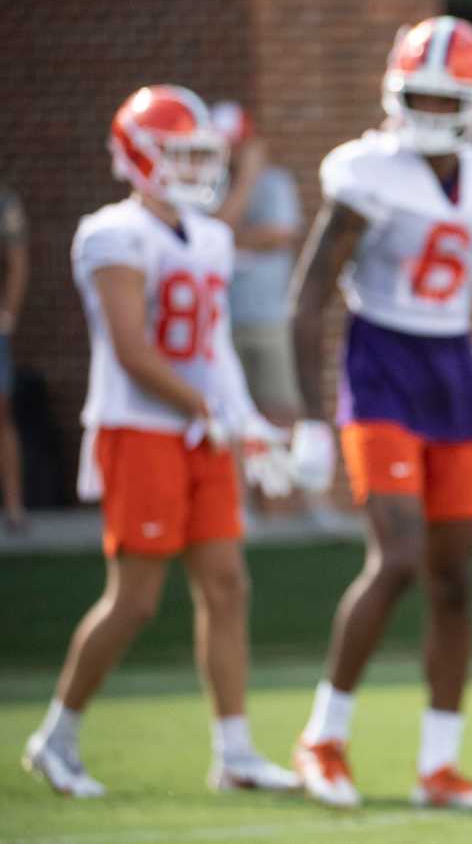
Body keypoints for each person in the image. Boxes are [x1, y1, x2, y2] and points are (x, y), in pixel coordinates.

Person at [21, 85, 298, 797]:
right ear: (139, 155)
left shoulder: (208, 235)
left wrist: (248, 423)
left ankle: (234, 751)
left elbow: (214, 348)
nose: (194, 168)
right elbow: (133, 350)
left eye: (202, 155)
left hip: (200, 430)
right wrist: (213, 410)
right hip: (139, 427)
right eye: (179, 154)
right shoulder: (111, 231)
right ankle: (57, 736)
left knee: (228, 585)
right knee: (136, 598)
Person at [288, 16, 472, 810]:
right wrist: (309, 419)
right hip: (381, 364)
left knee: (453, 579)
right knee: (393, 560)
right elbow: (309, 297)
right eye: (419, 92)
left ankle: (438, 763)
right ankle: (322, 737)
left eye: (446, 94)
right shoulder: (368, 171)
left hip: (454, 375)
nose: (431, 107)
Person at [210, 101, 304, 430]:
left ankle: (283, 482)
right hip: (222, 321)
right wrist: (245, 181)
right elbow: (213, 237)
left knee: (280, 410)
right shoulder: (209, 187)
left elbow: (279, 235)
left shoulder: (276, 182)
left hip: (269, 317)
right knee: (232, 416)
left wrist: (231, 236)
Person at [0, 186, 30, 531]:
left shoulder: (5, 200)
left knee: (3, 413)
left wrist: (8, 314)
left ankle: (14, 506)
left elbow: (18, 260)